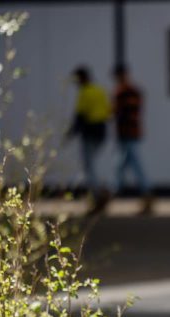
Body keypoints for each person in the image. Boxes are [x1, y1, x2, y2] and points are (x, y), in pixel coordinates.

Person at [112, 63, 153, 215]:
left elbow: (126, 112)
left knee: (133, 164)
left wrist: (117, 113)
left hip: (129, 132)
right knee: (120, 165)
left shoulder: (128, 92)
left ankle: (146, 194)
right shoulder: (122, 91)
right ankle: (113, 192)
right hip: (125, 133)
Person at [69, 66, 111, 212]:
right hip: (101, 130)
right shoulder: (100, 90)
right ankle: (101, 191)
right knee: (93, 164)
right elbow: (108, 111)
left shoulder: (84, 92)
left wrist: (72, 132)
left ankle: (97, 195)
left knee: (89, 166)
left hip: (89, 131)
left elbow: (80, 115)